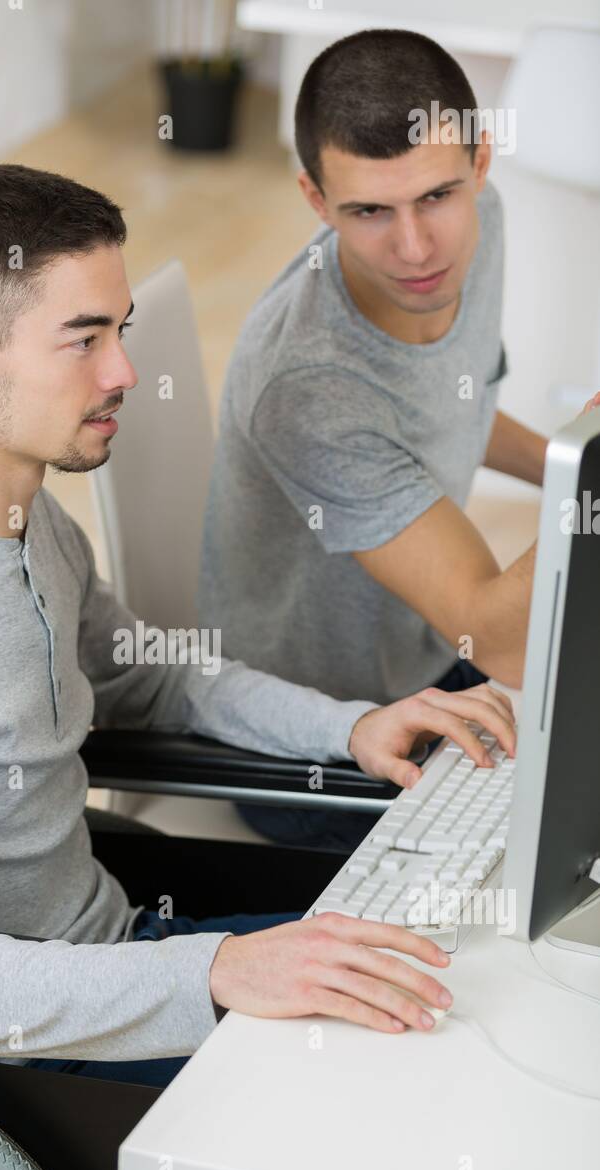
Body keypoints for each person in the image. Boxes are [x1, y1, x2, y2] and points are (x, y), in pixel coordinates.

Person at [0, 162, 516, 1089]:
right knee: (411, 1072)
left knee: (453, 974)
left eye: (120, 331)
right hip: (13, 1059)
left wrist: (349, 727)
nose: (124, 371)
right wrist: (218, 971)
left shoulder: (29, 519)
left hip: (121, 954)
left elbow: (154, 679)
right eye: (82, 340)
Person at [197, 29, 571, 853]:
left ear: (480, 165)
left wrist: (566, 463)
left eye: (436, 196)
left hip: (433, 665)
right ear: (314, 198)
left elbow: (450, 410)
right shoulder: (308, 387)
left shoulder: (482, 224)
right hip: (330, 745)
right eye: (368, 211)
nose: (415, 248)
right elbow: (495, 635)